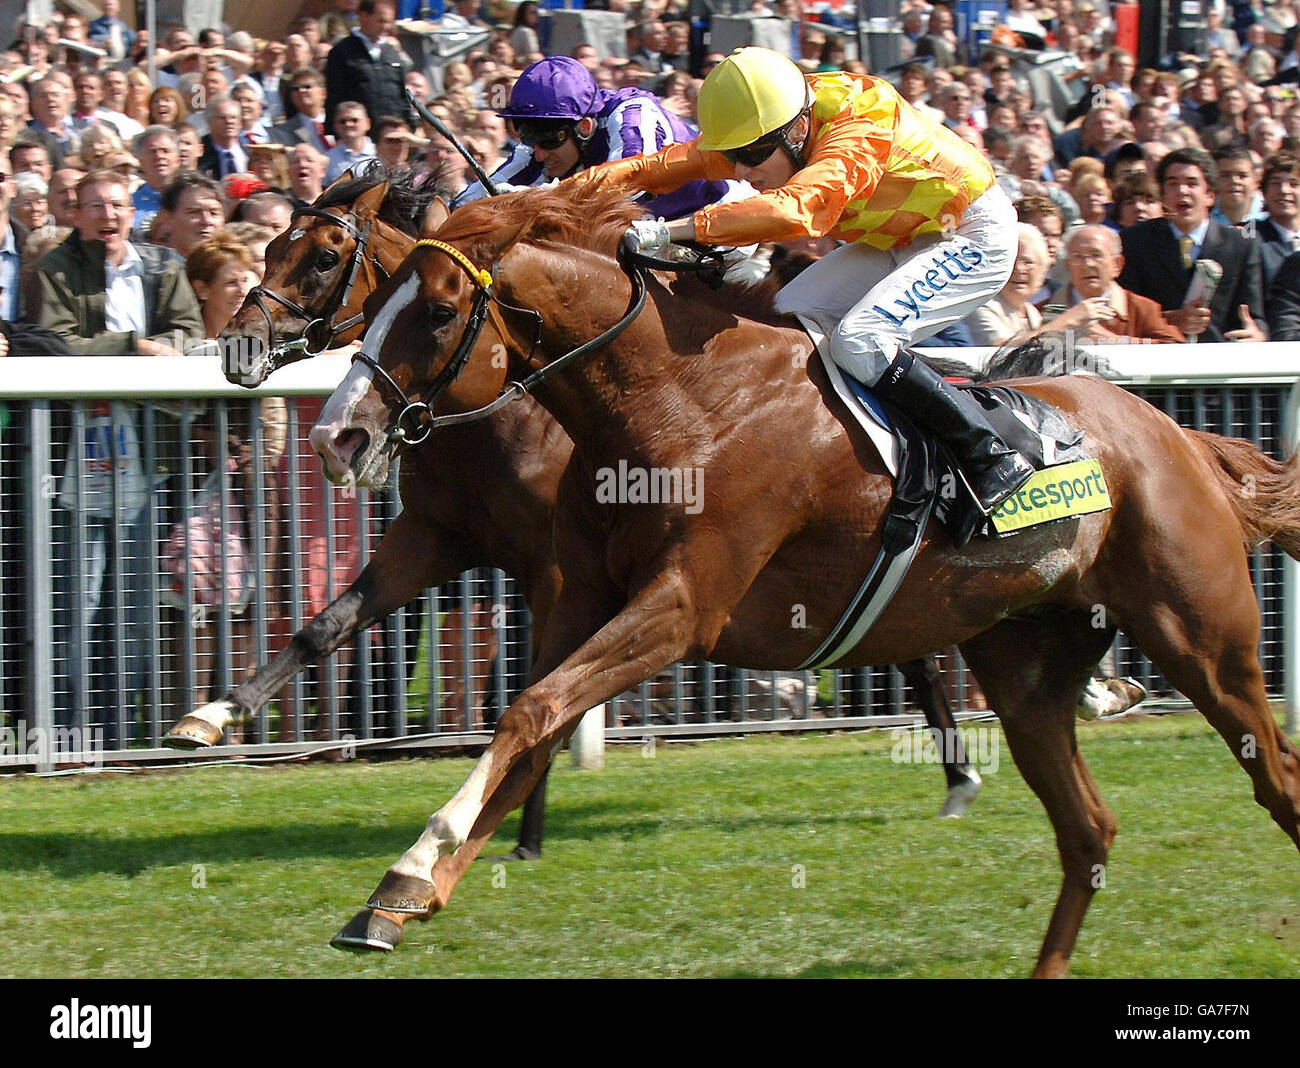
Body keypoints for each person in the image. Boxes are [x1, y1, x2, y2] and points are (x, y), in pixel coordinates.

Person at [605, 47, 1032, 513]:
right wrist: (544, 198)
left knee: (860, 340)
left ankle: (990, 454)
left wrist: (670, 231)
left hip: (972, 234)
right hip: (902, 239)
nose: (744, 173)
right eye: (732, 158)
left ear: (799, 130)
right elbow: (651, 169)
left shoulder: (858, 123)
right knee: (784, 325)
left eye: (751, 156)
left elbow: (797, 208)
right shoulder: (771, 120)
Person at [454, 56, 744, 235]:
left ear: (584, 127)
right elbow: (470, 201)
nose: (538, 152)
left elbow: (627, 187)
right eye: (526, 135)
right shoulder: (548, 139)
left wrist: (525, 199)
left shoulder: (632, 114)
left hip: (722, 222)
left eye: (547, 139)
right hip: (654, 232)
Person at [33, 169, 204, 355]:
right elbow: (54, 341)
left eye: (117, 205)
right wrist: (133, 347)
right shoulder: (55, 268)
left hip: (157, 379)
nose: (108, 214)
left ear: (131, 216)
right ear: (76, 216)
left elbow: (189, 332)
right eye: (97, 205)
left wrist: (151, 350)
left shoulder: (164, 265)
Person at [1118, 147, 1265, 343]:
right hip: (1155, 358)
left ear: (1210, 195)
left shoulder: (1240, 245)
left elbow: (1254, 315)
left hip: (1220, 360)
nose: (1182, 191)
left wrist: (1257, 335)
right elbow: (1124, 315)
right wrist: (1170, 320)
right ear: (1162, 195)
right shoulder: (1134, 241)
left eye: (1192, 183)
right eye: (1173, 183)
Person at [1042, 225, 1185, 343]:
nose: (1087, 264)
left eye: (1096, 255)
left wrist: (1117, 341)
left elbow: (1177, 349)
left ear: (1117, 264)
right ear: (1068, 265)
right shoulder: (1044, 310)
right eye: (1077, 257)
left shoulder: (1141, 309)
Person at [324, 0, 409, 129]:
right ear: (364, 16)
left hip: (391, 133)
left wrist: (409, 125)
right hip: (357, 132)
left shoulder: (392, 52)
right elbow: (335, 96)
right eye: (381, 21)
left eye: (389, 22)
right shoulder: (342, 51)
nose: (385, 27)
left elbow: (402, 95)